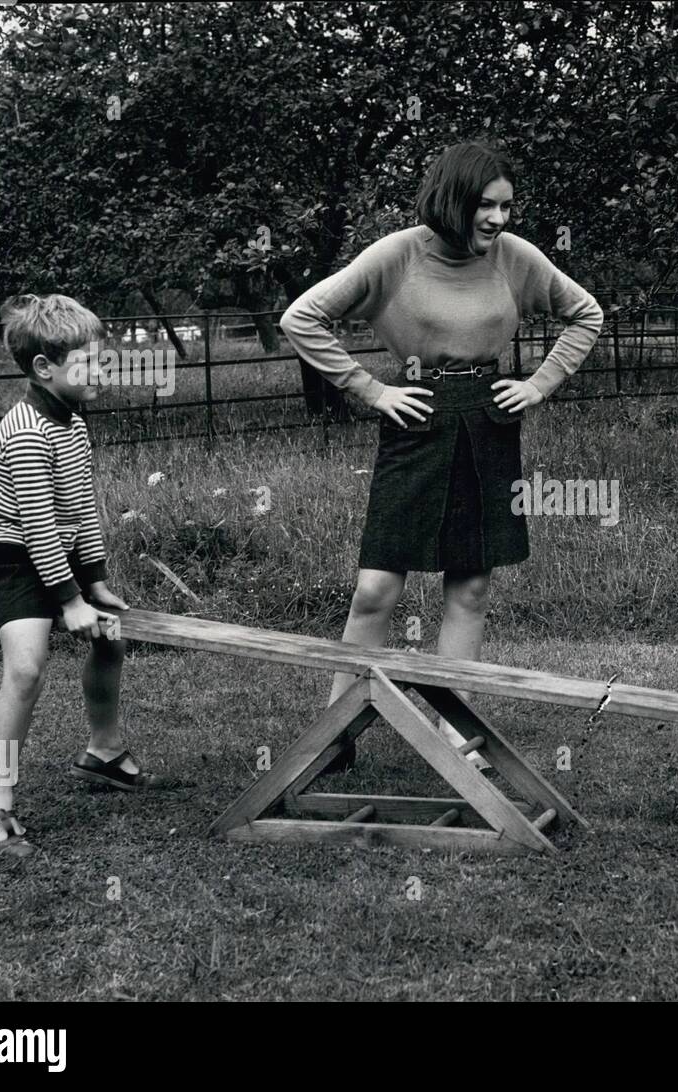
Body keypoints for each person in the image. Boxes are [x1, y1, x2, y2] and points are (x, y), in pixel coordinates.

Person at [280, 141, 603, 771]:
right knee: (376, 588)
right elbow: (303, 317)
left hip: (489, 420)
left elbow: (584, 314)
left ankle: (455, 733)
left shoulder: (515, 259)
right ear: (453, 201)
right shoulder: (398, 253)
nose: (500, 220)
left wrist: (538, 383)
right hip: (417, 415)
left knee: (473, 584)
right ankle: (336, 733)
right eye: (486, 205)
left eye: (507, 206)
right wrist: (371, 390)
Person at [0, 294, 174, 858]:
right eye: (91, 362)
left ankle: (102, 753)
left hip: (55, 552)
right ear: (45, 368)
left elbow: (80, 509)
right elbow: (36, 522)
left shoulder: (74, 422)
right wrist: (68, 601)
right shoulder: (27, 427)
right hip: (9, 557)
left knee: (110, 635)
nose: (104, 371)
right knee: (27, 668)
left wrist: (98, 584)